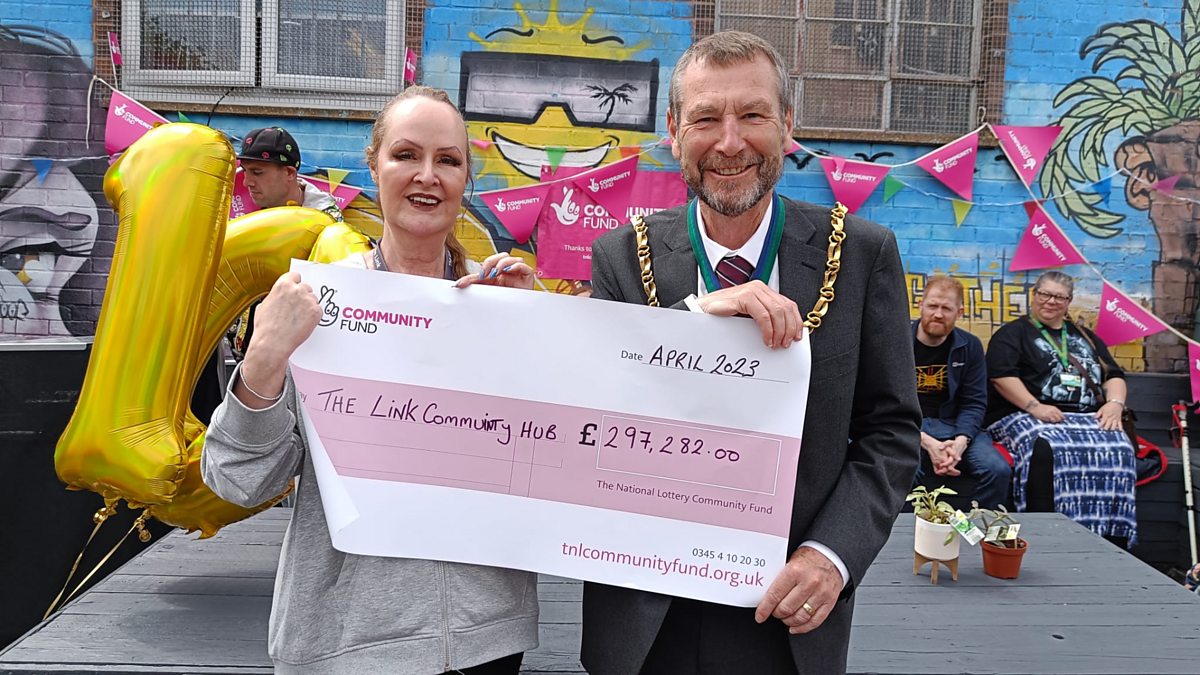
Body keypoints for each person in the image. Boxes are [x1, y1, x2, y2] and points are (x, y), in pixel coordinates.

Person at [584, 31, 921, 675]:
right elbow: (596, 417)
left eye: (753, 115)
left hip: (790, 613)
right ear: (674, 132)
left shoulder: (861, 254)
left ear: (788, 126)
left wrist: (832, 556)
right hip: (645, 617)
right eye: (707, 118)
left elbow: (891, 431)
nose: (730, 142)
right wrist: (694, 318)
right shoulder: (620, 258)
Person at [201, 86, 539, 674]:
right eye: (406, 155)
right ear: (374, 165)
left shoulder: (503, 302)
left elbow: (545, 472)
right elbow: (239, 483)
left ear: (466, 180)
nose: (427, 176)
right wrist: (263, 358)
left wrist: (531, 348)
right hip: (348, 644)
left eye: (448, 160)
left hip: (486, 640)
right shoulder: (318, 302)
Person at [985, 270, 1137, 545]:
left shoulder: (1086, 337)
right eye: (1045, 294)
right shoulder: (1012, 334)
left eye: (1059, 297)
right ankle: (1043, 529)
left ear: (1068, 302)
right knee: (1046, 446)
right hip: (1025, 415)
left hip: (1085, 417)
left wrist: (1115, 404)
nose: (1050, 301)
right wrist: (1034, 406)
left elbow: (1113, 375)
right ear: (1034, 296)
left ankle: (1109, 534)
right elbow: (1000, 376)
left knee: (1120, 445)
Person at [232, 126, 344, 357]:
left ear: (290, 173)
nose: (247, 182)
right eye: (246, 171)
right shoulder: (247, 210)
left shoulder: (326, 224)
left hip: (301, 351)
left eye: (257, 172)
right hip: (250, 349)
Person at [911, 275, 1011, 509]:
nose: (938, 314)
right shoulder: (898, 341)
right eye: (932, 306)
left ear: (960, 312)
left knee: (996, 469)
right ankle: (904, 537)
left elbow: (974, 403)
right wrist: (925, 441)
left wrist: (959, 443)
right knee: (903, 470)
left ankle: (978, 534)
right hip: (909, 426)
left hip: (953, 425)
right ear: (920, 306)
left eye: (947, 308)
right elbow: (887, 403)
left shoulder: (970, 346)